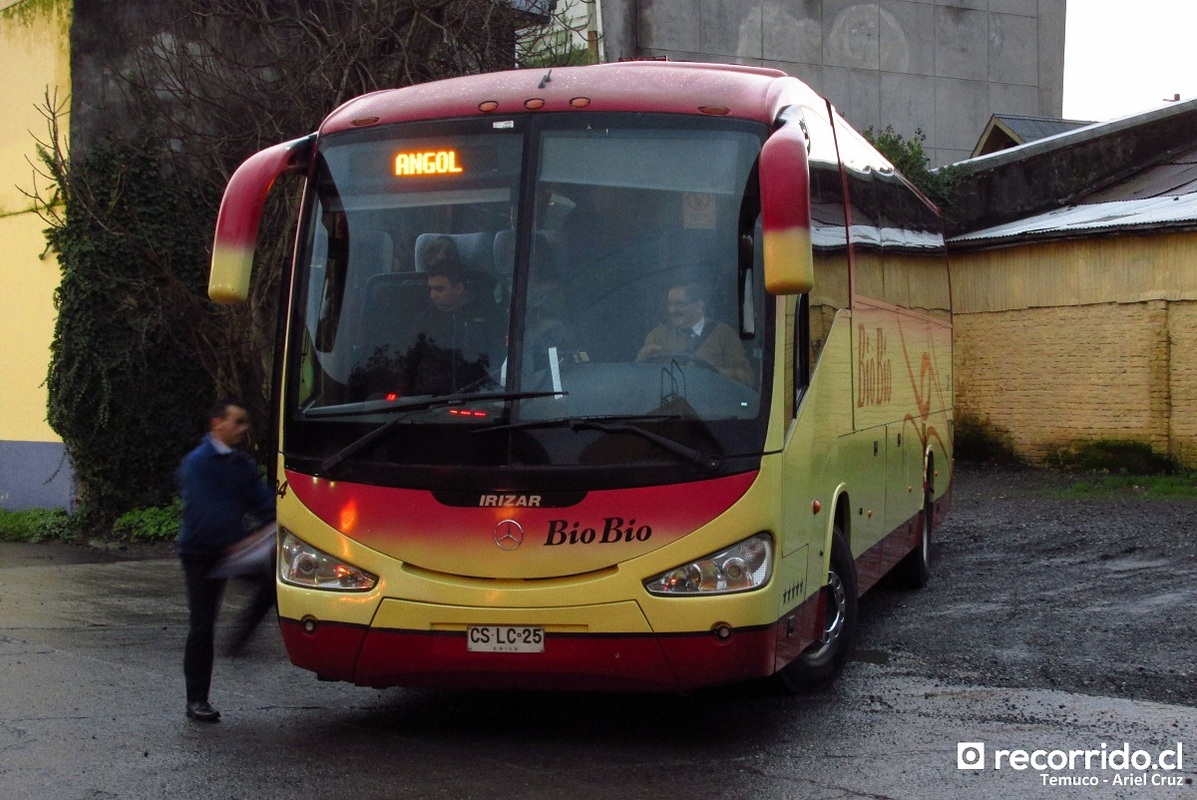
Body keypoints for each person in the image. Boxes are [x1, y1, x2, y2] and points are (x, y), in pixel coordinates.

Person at [176, 400, 277, 722]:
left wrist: (276, 524)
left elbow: (264, 504)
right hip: (201, 555)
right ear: (217, 423)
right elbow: (205, 512)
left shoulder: (241, 465)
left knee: (274, 583)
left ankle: (239, 640)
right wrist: (235, 542)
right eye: (238, 422)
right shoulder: (198, 463)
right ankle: (197, 700)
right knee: (202, 625)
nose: (243, 428)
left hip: (233, 552)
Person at [402, 239, 503, 395]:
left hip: (480, 398)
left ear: (459, 288)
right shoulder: (422, 321)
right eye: (431, 289)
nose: (433, 296)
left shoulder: (487, 317)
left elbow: (499, 361)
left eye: (440, 289)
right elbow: (408, 366)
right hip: (428, 402)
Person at [636, 280, 754, 386]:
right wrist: (643, 358)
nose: (672, 310)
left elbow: (747, 379)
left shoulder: (723, 334)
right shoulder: (658, 335)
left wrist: (717, 373)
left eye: (679, 304)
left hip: (711, 407)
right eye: (670, 304)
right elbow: (641, 380)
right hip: (670, 407)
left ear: (699, 306)